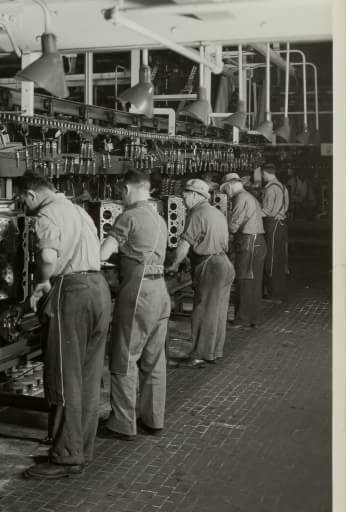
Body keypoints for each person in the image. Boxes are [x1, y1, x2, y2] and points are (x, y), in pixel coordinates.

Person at [17, 173, 112, 480]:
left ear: (31, 195)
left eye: (22, 199)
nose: (23, 205)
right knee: (88, 376)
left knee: (63, 376)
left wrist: (43, 281)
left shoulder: (46, 214)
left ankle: (65, 457)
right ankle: (79, 448)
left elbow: (48, 255)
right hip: (98, 288)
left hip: (71, 292)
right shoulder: (78, 211)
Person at [98, 170, 169, 441]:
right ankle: (153, 419)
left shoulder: (129, 216)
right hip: (160, 292)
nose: (120, 196)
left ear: (127, 188)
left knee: (124, 356)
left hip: (139, 292)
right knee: (154, 359)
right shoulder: (159, 218)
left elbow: (102, 254)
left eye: (121, 191)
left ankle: (122, 423)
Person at [167, 179, 235, 368]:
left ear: (195, 195)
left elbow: (184, 244)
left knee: (203, 311)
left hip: (210, 265)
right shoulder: (215, 212)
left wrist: (173, 265)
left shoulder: (197, 213)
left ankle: (198, 355)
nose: (183, 201)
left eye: (185, 196)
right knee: (218, 312)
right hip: (224, 263)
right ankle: (213, 352)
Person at [221, 172, 267, 329]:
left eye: (225, 189)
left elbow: (233, 225)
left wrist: (221, 228)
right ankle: (253, 318)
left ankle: (242, 319)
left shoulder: (240, 198)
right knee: (253, 282)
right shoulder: (249, 196)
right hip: (257, 241)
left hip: (249, 243)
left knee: (244, 280)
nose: (225, 193)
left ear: (230, 186)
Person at [260, 164, 289, 303]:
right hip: (281, 224)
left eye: (262, 174)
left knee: (270, 259)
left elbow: (267, 210)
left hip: (272, 224)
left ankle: (272, 294)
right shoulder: (283, 187)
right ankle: (278, 293)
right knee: (278, 259)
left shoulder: (271, 189)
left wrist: (252, 213)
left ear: (266, 173)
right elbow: (286, 206)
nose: (262, 177)